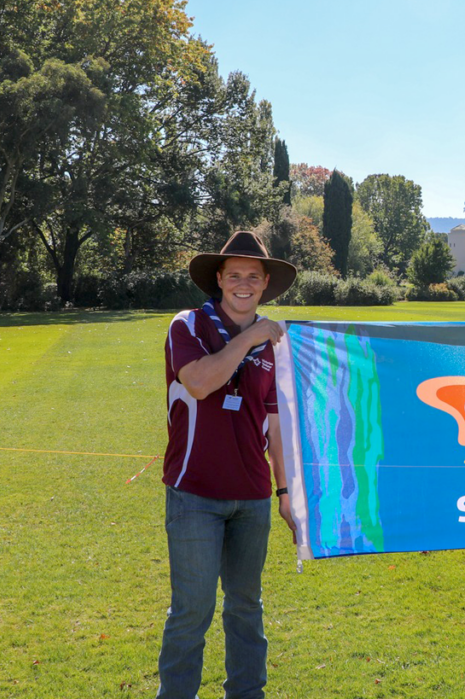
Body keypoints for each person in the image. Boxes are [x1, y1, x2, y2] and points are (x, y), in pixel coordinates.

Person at [157, 231, 298, 699]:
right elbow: (200, 382)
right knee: (191, 612)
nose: (243, 284)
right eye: (234, 274)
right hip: (194, 493)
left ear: (265, 284)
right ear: (218, 279)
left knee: (246, 608)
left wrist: (284, 493)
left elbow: (276, 426)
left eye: (253, 276)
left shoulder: (277, 346)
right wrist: (252, 336)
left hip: (253, 498)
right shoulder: (188, 325)